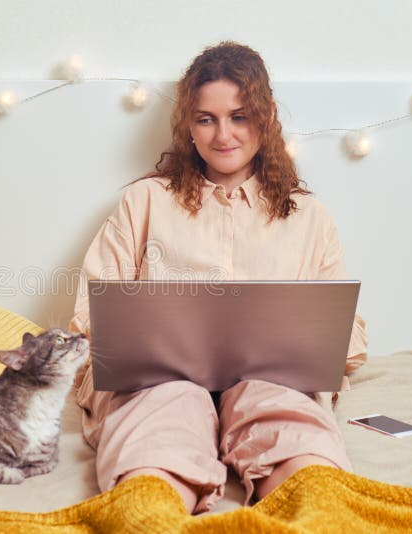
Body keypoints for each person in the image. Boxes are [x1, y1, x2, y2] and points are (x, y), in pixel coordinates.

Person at [68, 41, 368, 515]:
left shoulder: (310, 217)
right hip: (158, 379)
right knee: (165, 408)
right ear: (188, 125)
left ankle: (318, 508)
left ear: (266, 117)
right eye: (206, 119)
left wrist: (306, 341)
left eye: (240, 116)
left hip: (270, 377)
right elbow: (89, 312)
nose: (222, 135)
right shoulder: (145, 201)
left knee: (280, 409)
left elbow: (347, 335)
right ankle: (149, 511)